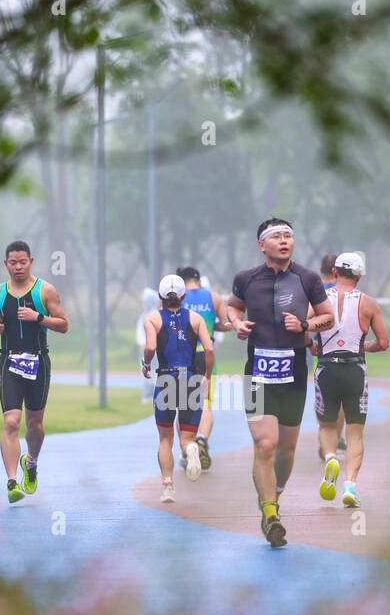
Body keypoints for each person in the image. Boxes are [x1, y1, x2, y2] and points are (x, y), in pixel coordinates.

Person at [225, 217, 335, 547]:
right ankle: (270, 513)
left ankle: (276, 493)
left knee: (286, 449)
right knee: (266, 444)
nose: (284, 240)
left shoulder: (308, 278)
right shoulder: (245, 279)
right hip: (257, 374)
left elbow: (328, 317)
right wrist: (236, 324)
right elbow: (232, 308)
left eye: (289, 235)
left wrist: (305, 324)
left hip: (293, 375)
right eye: (277, 236)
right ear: (262, 245)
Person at [0, 240, 69, 503]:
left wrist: (38, 318)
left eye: (23, 262)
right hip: (9, 362)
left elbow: (64, 324)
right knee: (11, 422)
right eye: (13, 263)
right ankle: (11, 482)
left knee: (35, 425)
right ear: (5, 264)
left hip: (38, 362)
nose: (18, 267)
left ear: (31, 261)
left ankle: (31, 462)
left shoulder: (45, 291)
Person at [310, 252, 390, 508]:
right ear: (359, 276)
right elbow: (384, 343)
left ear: (334, 273)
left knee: (327, 426)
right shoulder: (369, 304)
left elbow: (304, 328)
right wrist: (363, 347)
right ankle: (350, 486)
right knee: (355, 432)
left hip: (326, 369)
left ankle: (331, 457)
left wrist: (313, 345)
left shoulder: (318, 299)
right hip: (355, 369)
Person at [143, 274, 215, 502]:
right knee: (186, 437)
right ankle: (191, 449)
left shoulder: (152, 319)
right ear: (183, 296)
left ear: (161, 296)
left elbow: (151, 347)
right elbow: (210, 349)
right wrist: (207, 376)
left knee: (165, 438)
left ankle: (167, 486)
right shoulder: (195, 318)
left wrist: (146, 364)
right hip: (191, 378)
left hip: (166, 378)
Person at [178, 266, 232, 472]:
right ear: (198, 281)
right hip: (205, 355)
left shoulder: (177, 297)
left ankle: (186, 450)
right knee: (206, 403)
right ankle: (201, 439)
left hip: (182, 356)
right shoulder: (213, 297)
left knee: (183, 407)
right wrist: (212, 326)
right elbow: (228, 324)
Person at [309, 253, 347, 462]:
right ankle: (336, 437)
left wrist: (309, 342)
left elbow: (306, 321)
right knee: (341, 400)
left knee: (323, 398)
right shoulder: (348, 292)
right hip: (346, 352)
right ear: (337, 270)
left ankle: (324, 438)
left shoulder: (315, 293)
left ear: (322, 270)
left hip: (321, 352)